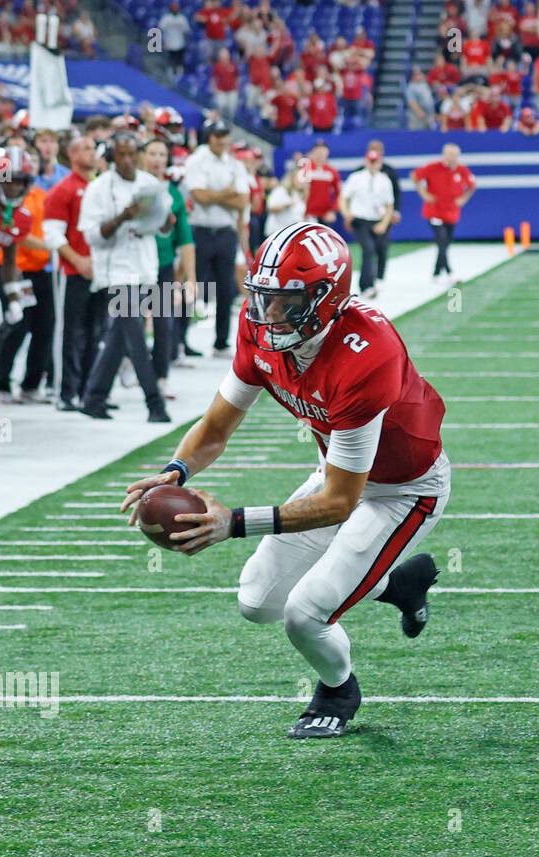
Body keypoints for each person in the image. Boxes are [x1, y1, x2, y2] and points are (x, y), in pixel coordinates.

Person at [118, 222, 449, 740]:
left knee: (305, 614)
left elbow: (342, 502)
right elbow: (215, 427)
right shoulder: (261, 331)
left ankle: (338, 688)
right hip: (337, 471)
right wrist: (176, 470)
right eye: (263, 297)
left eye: (285, 301)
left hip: (404, 490)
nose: (268, 313)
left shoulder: (368, 352)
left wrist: (233, 523)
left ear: (325, 298)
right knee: (257, 600)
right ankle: (397, 584)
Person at [76, 133, 171, 423]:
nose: (128, 160)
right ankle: (155, 403)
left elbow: (163, 229)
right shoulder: (99, 188)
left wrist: (166, 221)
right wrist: (122, 217)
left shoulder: (149, 184)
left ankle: (93, 397)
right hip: (115, 271)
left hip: (145, 268)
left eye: (132, 154)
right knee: (136, 335)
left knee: (119, 335)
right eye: (121, 154)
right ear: (112, 156)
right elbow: (92, 235)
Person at [0, 150, 54, 406]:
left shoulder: (39, 195)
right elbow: (14, 234)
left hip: (39, 271)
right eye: (10, 180)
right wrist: (48, 245)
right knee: (16, 326)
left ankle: (31, 384)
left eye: (20, 180)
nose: (15, 186)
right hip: (12, 268)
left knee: (44, 327)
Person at [44, 133, 103, 413]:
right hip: (72, 271)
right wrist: (78, 261)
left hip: (99, 271)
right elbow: (52, 234)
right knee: (69, 331)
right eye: (87, 149)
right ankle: (65, 391)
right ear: (72, 154)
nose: (93, 154)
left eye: (94, 148)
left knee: (95, 331)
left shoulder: (100, 187)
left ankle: (87, 389)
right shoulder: (64, 189)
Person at [183, 118, 250, 358]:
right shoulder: (197, 160)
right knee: (193, 285)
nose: (221, 140)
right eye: (217, 135)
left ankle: (221, 342)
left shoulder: (234, 164)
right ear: (209, 137)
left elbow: (243, 200)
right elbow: (199, 196)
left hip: (225, 232)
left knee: (226, 288)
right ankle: (181, 340)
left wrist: (215, 195)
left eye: (224, 135)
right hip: (200, 230)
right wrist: (227, 193)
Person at [140, 137, 195, 398]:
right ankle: (132, 365)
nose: (157, 159)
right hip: (135, 267)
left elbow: (185, 239)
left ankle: (160, 378)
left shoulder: (173, 193)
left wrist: (191, 278)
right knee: (129, 321)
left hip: (162, 267)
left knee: (164, 323)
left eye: (162, 154)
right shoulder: (134, 186)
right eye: (152, 153)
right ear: (143, 156)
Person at [339, 140, 400, 297]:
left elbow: (389, 205)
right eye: (370, 161)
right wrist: (347, 213)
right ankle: (366, 286)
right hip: (360, 220)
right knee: (368, 249)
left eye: (375, 161)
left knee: (380, 249)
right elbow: (343, 197)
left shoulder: (385, 179)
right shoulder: (356, 177)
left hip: (377, 219)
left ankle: (376, 279)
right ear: (366, 161)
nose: (373, 164)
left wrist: (384, 223)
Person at [412, 144, 475, 285]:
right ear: (444, 155)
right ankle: (449, 272)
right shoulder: (433, 167)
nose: (452, 158)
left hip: (452, 212)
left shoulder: (462, 170)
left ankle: (437, 273)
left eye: (454, 155)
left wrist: (464, 198)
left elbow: (472, 185)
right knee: (441, 241)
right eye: (449, 155)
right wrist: (423, 193)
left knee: (445, 243)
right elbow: (415, 176)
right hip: (434, 212)